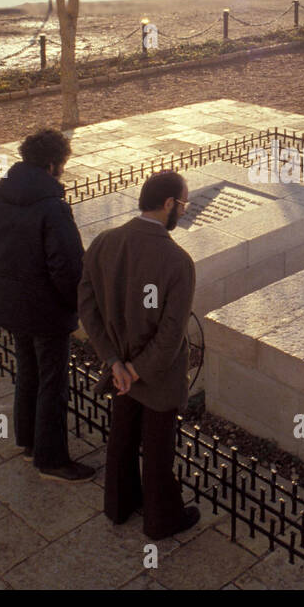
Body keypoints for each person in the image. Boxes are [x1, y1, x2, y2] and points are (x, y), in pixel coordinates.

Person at [78, 169, 200, 539]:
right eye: (183, 203)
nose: (184, 210)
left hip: (119, 370)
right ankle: (162, 519)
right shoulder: (177, 261)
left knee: (123, 435)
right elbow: (170, 334)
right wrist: (135, 368)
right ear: (168, 205)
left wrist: (115, 363)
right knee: (158, 448)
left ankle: (118, 505)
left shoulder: (104, 242)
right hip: (157, 377)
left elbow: (88, 307)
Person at [0, 128, 94, 482]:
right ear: (52, 165)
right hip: (44, 309)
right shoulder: (52, 208)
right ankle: (51, 459)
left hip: (9, 302)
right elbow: (69, 267)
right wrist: (75, 305)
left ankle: (27, 440)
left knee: (28, 370)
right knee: (53, 382)